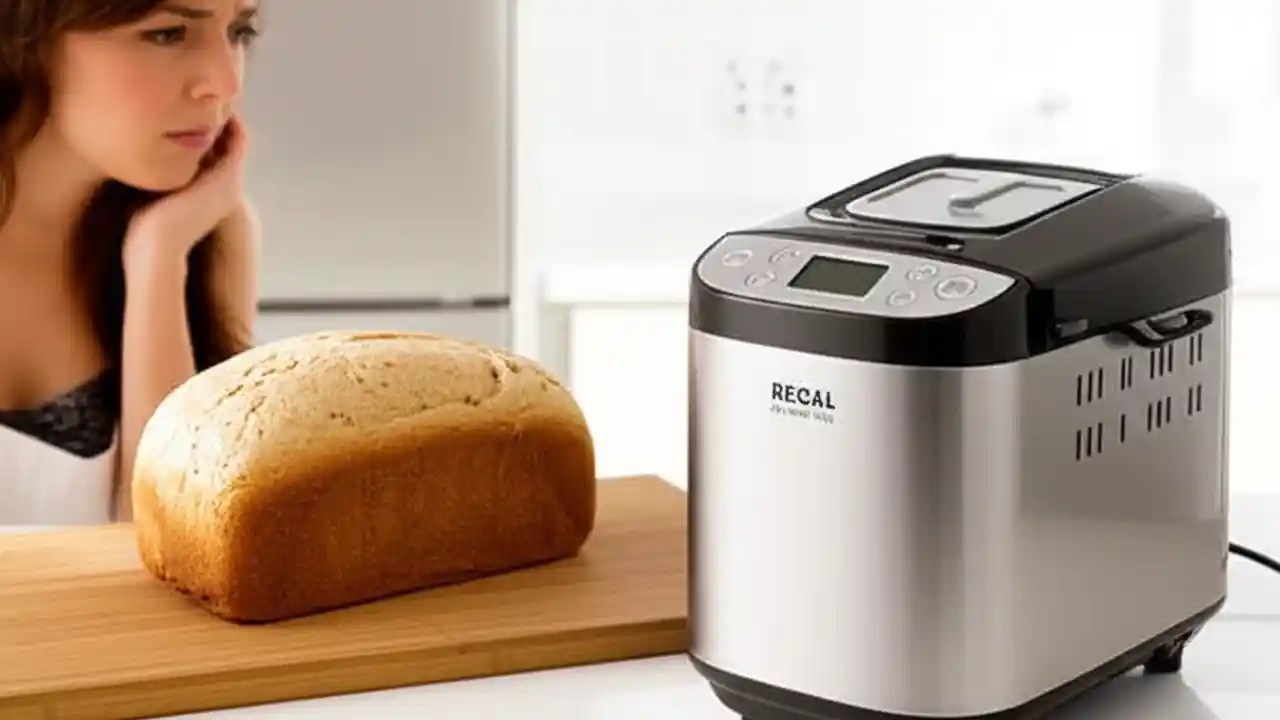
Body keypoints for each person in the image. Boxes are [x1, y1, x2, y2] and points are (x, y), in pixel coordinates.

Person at [0, 0, 262, 526]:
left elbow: (169, 544)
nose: (224, 83)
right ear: (25, 41)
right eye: (167, 34)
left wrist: (158, 261)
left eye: (239, 31)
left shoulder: (205, 235)